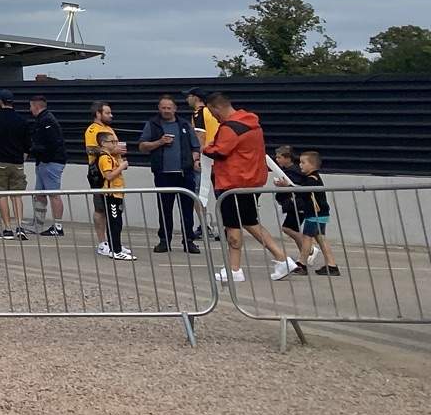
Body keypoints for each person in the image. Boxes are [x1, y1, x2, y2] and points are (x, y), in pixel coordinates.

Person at [202, 89, 297, 283]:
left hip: (233, 181)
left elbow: (220, 151)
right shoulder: (252, 123)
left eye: (212, 112)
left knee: (233, 225)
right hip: (251, 180)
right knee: (249, 221)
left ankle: (234, 269)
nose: (213, 117)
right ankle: (281, 259)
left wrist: (206, 148)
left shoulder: (230, 127)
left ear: (217, 107)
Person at [136, 95, 200, 253]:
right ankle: (164, 240)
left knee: (187, 209)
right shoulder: (152, 124)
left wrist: (194, 159)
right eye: (163, 108)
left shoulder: (184, 124)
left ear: (175, 108)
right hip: (163, 174)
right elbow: (142, 146)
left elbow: (196, 147)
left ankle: (189, 240)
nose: (166, 111)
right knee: (164, 209)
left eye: (169, 108)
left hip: (185, 174)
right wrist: (159, 142)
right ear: (159, 108)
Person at [0, 91, 32, 238]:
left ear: (0, 102)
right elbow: (27, 144)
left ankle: (7, 228)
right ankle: (20, 226)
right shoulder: (22, 119)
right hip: (17, 162)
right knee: (17, 195)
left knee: (1, 194)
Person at [287, 150, 339, 275]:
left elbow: (303, 192)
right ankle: (331, 265)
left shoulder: (312, 179)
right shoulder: (310, 178)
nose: (300, 165)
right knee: (321, 239)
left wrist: (288, 186)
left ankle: (302, 263)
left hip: (315, 214)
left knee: (307, 238)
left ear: (312, 165)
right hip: (320, 214)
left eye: (303, 162)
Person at [26, 93, 67, 236]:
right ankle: (38, 222)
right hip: (44, 162)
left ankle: (58, 226)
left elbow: (53, 142)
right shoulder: (43, 119)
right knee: (40, 194)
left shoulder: (46, 120)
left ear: (36, 107)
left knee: (53, 194)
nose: (30, 109)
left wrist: (45, 159)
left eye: (31, 106)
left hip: (51, 162)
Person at [80, 101, 118, 251]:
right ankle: (102, 242)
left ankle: (114, 242)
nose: (111, 115)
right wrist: (113, 150)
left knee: (113, 207)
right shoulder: (92, 130)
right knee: (100, 207)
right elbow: (90, 150)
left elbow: (114, 147)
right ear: (98, 114)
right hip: (99, 173)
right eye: (107, 113)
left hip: (114, 172)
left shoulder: (109, 129)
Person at [94, 133, 135, 261]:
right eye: (112, 142)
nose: (115, 144)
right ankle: (115, 250)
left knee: (118, 221)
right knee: (114, 222)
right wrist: (122, 167)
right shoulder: (104, 158)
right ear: (103, 144)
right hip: (111, 193)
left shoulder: (111, 157)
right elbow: (109, 176)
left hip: (117, 193)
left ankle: (116, 245)